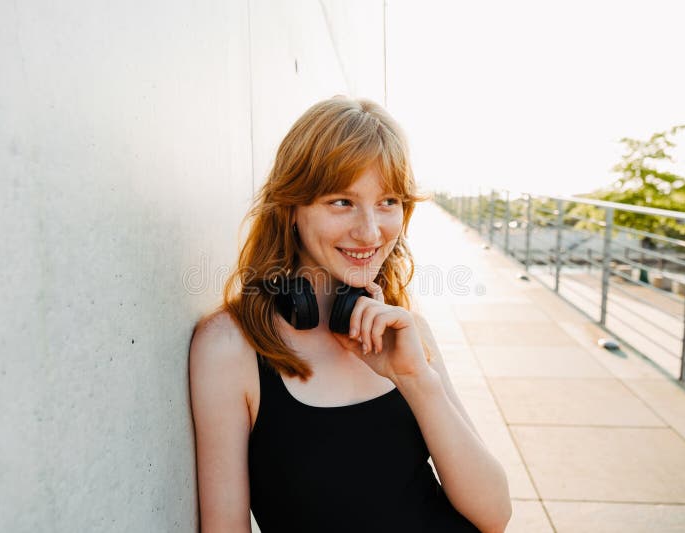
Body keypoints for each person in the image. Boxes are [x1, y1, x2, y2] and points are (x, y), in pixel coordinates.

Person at [189, 96, 512, 533]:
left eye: (388, 201)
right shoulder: (231, 346)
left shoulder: (406, 330)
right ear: (290, 210)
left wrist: (417, 380)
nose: (369, 231)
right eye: (341, 201)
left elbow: (495, 515)